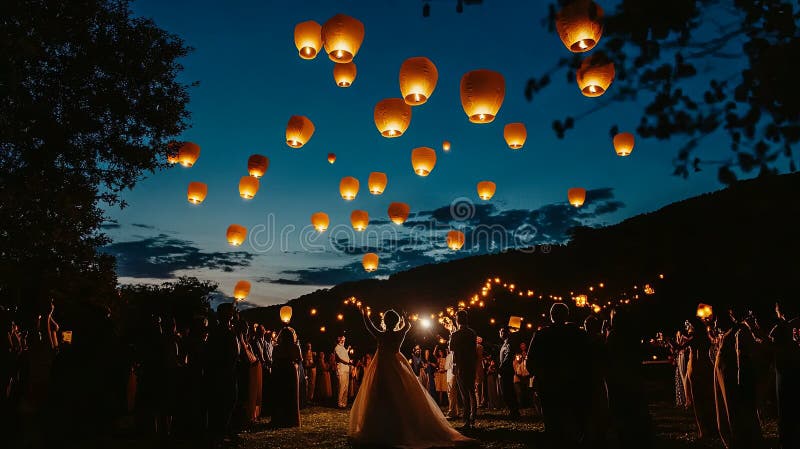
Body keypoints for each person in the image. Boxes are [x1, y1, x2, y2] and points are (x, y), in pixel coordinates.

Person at [349, 308, 473, 447]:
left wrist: (365, 315)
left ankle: (379, 427)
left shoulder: (381, 335)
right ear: (395, 322)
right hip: (395, 366)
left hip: (382, 367)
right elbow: (407, 327)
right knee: (398, 394)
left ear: (385, 321)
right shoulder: (399, 334)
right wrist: (405, 318)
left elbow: (369, 326)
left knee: (379, 394)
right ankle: (398, 425)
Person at [526, 303, 589, 448]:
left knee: (551, 420)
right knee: (571, 419)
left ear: (551, 316)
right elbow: (586, 358)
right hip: (571, 383)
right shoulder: (577, 334)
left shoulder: (541, 335)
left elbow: (530, 362)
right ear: (566, 315)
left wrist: (540, 374)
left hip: (549, 385)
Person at [605, 308, 653, 449]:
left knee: (622, 412)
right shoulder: (633, 334)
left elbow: (609, 356)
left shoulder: (614, 335)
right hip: (633, 377)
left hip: (620, 379)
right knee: (635, 410)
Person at [714, 310, 762, 448]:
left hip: (730, 376)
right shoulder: (727, 333)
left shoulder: (737, 331)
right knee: (727, 407)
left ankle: (740, 438)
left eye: (717, 320)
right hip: (724, 375)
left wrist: (740, 378)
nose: (716, 324)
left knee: (734, 408)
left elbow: (741, 356)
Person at [768, 300, 800, 449]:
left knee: (786, 407)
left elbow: (769, 346)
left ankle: (787, 440)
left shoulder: (780, 328)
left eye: (777, 309)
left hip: (784, 371)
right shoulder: (795, 323)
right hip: (793, 369)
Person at [449, 310, 478, 430]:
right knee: (471, 391)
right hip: (470, 365)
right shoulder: (472, 333)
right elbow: (473, 351)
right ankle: (473, 417)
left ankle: (466, 419)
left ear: (457, 319)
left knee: (464, 393)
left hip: (461, 365)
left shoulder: (455, 334)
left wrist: (455, 367)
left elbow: (453, 351)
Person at [270, 326, 302, 428]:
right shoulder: (294, 347)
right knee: (291, 395)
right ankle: (291, 419)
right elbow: (300, 359)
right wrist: (294, 363)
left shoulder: (277, 347)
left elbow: (274, 359)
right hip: (291, 370)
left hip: (280, 371)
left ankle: (279, 419)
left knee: (280, 394)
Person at [498, 326, 520, 419]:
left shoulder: (509, 343)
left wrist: (502, 367)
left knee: (507, 391)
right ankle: (513, 410)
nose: (500, 333)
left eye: (502, 331)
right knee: (506, 391)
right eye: (500, 332)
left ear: (507, 333)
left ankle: (514, 411)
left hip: (506, 370)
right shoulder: (505, 343)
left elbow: (508, 356)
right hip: (505, 370)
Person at [334, 335, 353, 408]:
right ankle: (339, 403)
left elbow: (345, 353)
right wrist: (349, 361)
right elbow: (340, 358)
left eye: (344, 339)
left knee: (346, 386)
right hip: (341, 369)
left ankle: (344, 403)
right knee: (341, 386)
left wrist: (348, 349)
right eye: (343, 339)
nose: (344, 341)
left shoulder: (343, 348)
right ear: (339, 340)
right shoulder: (337, 348)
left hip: (346, 369)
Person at [444, 349, 460, 418]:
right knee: (451, 393)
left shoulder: (454, 354)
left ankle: (452, 411)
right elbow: (446, 367)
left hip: (452, 374)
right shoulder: (449, 355)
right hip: (449, 373)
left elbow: (453, 366)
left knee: (451, 393)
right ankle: (455, 411)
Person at [475, 337, 485, 408]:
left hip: (477, 367)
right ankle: (478, 401)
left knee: (478, 384)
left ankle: (479, 402)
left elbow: (477, 356)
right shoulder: (477, 346)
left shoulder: (479, 347)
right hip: (478, 366)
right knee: (477, 385)